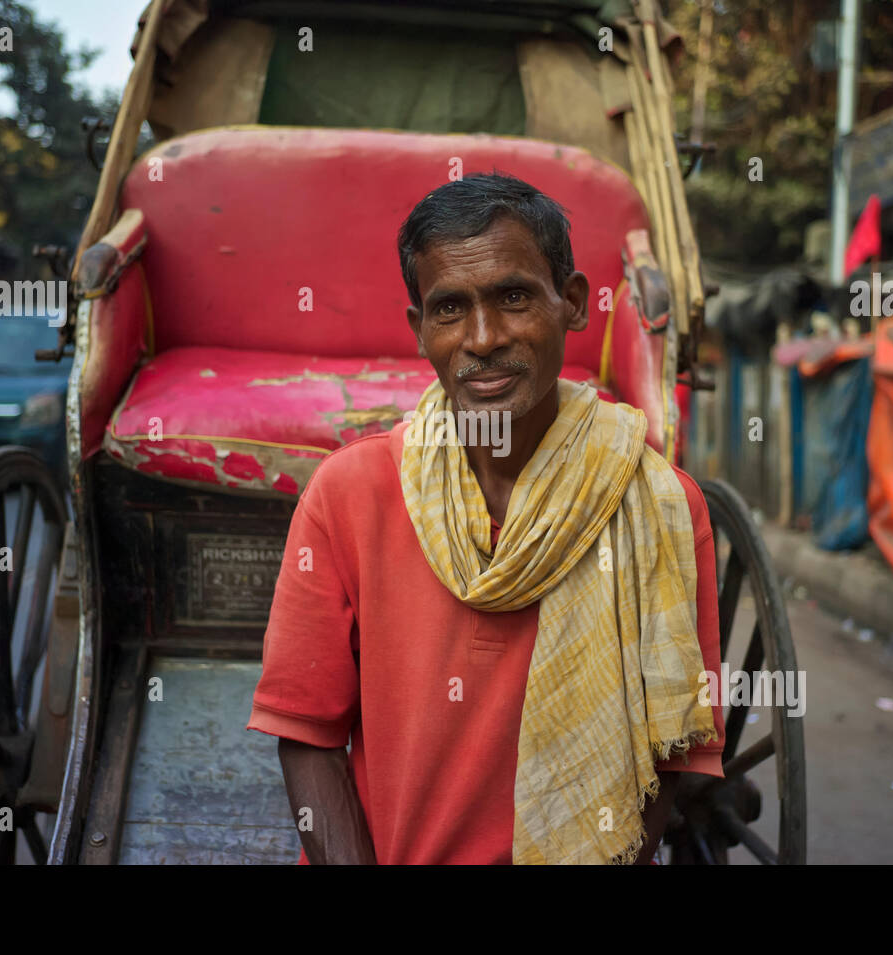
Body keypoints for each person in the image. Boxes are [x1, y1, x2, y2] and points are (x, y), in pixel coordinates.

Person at [247, 174, 726, 865]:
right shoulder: (348, 494)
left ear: (573, 303)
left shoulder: (661, 505)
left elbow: (667, 760)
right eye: (450, 308)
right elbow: (307, 734)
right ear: (420, 331)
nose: (483, 338)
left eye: (513, 297)